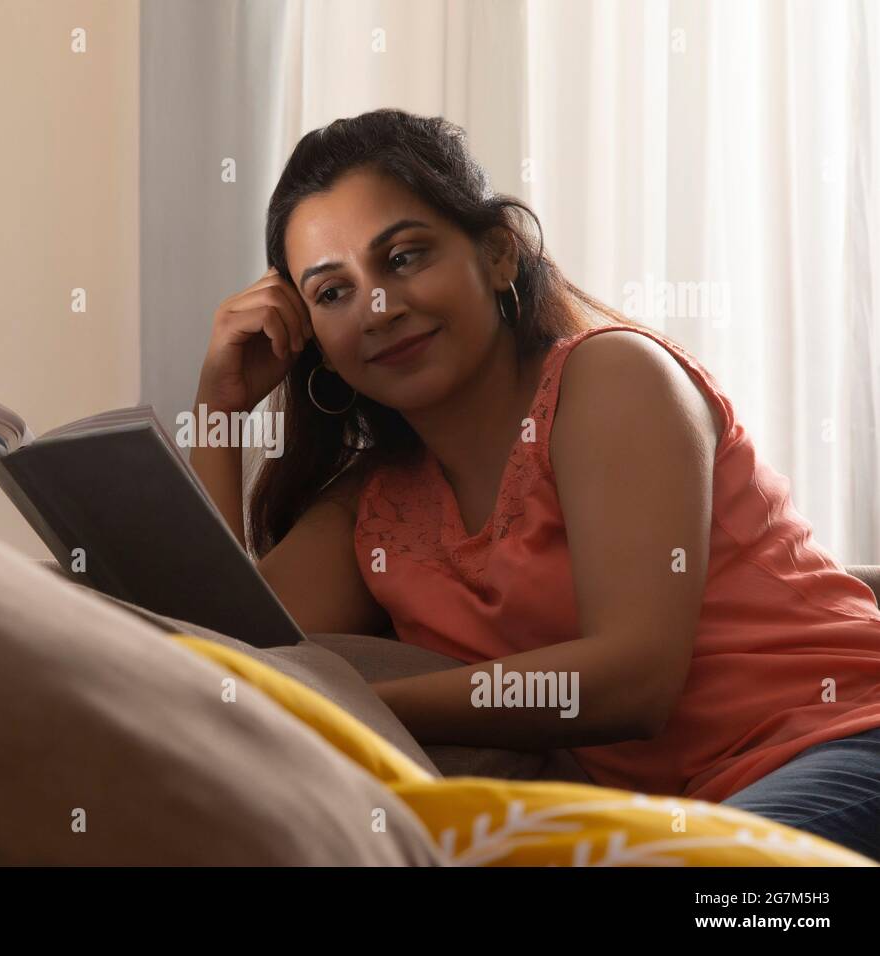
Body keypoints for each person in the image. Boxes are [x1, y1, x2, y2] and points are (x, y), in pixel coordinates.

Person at [189, 108, 880, 861]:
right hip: (674, 825)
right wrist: (218, 410)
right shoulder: (376, 505)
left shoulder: (614, 377)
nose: (378, 309)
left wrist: (353, 710)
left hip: (840, 742)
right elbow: (229, 663)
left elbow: (635, 680)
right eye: (332, 293)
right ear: (312, 340)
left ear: (497, 255)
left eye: (405, 257)